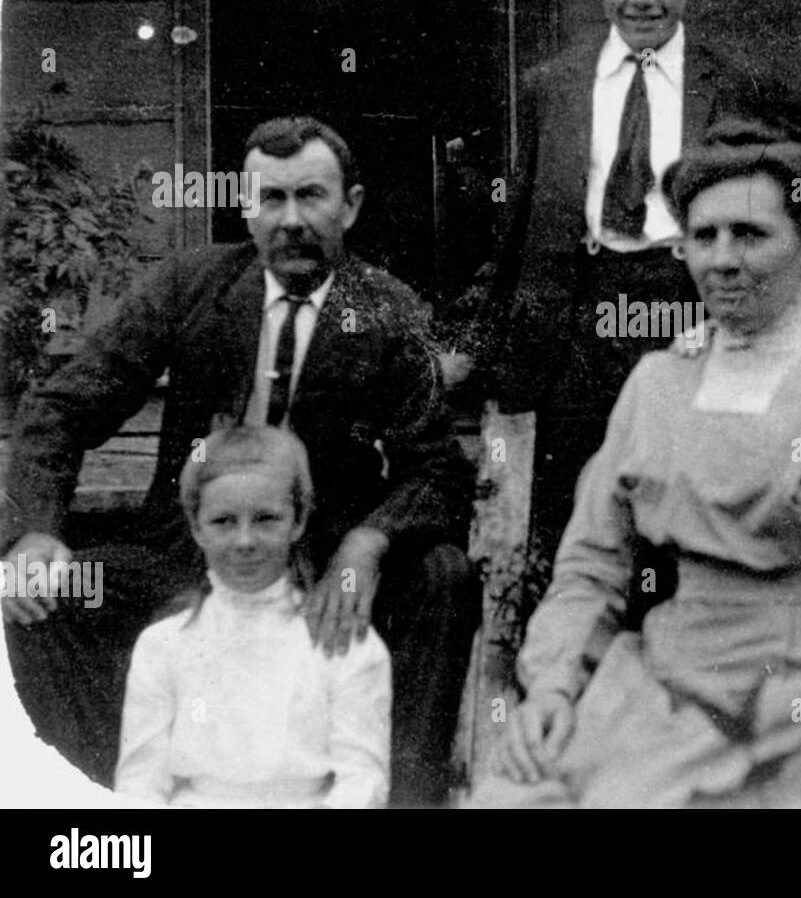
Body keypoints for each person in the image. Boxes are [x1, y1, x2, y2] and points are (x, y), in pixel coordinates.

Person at [470, 124, 801, 808]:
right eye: (704, 237)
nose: (723, 259)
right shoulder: (656, 381)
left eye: (752, 235)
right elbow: (591, 566)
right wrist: (552, 688)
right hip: (664, 687)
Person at [2, 116, 477, 805]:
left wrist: (365, 544)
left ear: (351, 205)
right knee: (37, 598)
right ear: (246, 208)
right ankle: (129, 797)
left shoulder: (387, 309)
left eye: (311, 196)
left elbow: (435, 468)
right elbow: (61, 407)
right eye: (271, 199)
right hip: (186, 556)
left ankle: (403, 802)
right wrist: (37, 532)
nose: (291, 220)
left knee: (444, 576)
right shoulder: (190, 286)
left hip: (320, 564)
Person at [475, 0, 776, 633]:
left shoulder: (737, 85)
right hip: (580, 317)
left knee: (684, 517)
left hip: (687, 307)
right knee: (581, 519)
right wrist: (487, 346)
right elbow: (521, 223)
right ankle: (578, 700)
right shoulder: (553, 86)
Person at [115, 425, 390, 808]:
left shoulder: (342, 643)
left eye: (265, 519)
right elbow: (139, 782)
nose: (245, 541)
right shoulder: (163, 645)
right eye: (223, 521)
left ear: (298, 521)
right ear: (196, 528)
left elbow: (363, 780)